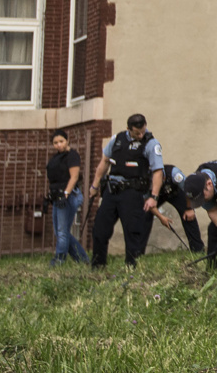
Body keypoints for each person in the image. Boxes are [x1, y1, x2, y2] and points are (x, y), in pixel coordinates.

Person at [87, 114, 163, 268]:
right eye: (136, 133)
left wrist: (153, 196)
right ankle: (98, 265)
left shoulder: (151, 144)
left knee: (133, 232)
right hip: (112, 191)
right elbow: (104, 161)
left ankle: (131, 267)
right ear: (128, 129)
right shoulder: (117, 139)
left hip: (133, 193)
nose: (140, 135)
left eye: (142, 131)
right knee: (100, 229)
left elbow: (157, 171)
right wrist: (95, 186)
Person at [46, 132, 88, 265]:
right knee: (60, 231)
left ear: (68, 140)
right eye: (55, 143)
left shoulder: (72, 156)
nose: (59, 145)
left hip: (68, 196)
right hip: (57, 196)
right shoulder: (55, 158)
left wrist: (65, 194)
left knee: (62, 231)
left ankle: (59, 259)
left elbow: (74, 177)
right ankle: (82, 259)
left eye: (61, 141)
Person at [154, 165, 205, 253]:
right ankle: (137, 253)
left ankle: (198, 249)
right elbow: (148, 204)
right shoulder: (147, 178)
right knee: (143, 214)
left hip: (176, 192)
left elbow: (188, 190)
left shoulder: (175, 174)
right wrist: (160, 217)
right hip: (157, 194)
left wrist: (190, 208)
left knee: (189, 216)